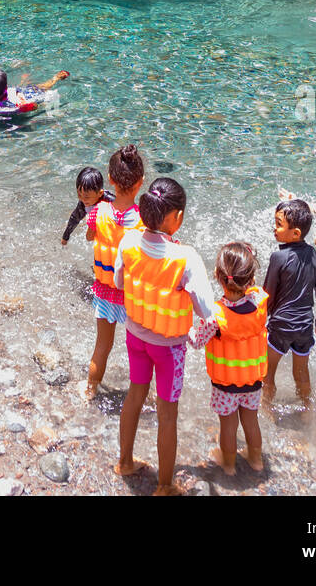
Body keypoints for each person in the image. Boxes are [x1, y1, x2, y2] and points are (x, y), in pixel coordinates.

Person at [114, 178, 214, 496]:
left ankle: (125, 462)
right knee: (167, 413)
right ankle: (165, 485)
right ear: (176, 218)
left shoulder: (128, 242)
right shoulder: (186, 258)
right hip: (168, 348)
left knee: (134, 396)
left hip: (135, 336)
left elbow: (118, 280)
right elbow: (205, 309)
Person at [189, 242, 267, 475]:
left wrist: (185, 327)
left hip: (225, 386)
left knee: (228, 425)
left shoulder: (215, 316)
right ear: (251, 278)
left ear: (217, 276)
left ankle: (229, 465)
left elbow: (196, 342)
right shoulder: (259, 303)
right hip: (253, 381)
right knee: (251, 421)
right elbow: (257, 296)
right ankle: (256, 460)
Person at [83, 143, 145, 401]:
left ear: (109, 179)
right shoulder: (143, 221)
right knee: (138, 351)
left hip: (104, 291)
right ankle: (139, 398)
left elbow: (90, 236)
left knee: (102, 346)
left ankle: (90, 389)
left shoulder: (98, 211)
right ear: (141, 183)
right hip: (131, 296)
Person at [262, 198, 316, 405]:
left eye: (279, 225)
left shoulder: (278, 257)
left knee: (267, 371)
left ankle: (267, 409)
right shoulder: (312, 254)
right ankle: (307, 409)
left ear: (296, 233)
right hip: (304, 326)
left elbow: (268, 295)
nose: (274, 228)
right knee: (301, 373)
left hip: (281, 325)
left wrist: (260, 323)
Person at [0, 66, 68, 110]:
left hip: (24, 93)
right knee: (43, 87)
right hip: (25, 94)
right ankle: (55, 78)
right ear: (7, 87)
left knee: (39, 87)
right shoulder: (16, 100)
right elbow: (33, 106)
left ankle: (56, 78)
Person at [61, 166, 113, 245]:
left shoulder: (111, 201)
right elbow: (74, 219)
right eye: (79, 194)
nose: (82, 199)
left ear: (100, 193)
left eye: (86, 196)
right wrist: (65, 237)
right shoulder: (84, 203)